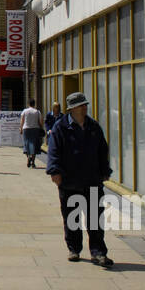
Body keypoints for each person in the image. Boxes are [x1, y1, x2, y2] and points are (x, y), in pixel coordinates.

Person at [46, 92, 114, 267]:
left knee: (95, 218)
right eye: (81, 106)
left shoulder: (93, 126)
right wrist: (54, 171)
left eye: (85, 105)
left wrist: (105, 170)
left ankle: (98, 252)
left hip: (92, 179)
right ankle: (74, 248)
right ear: (72, 109)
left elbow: (102, 150)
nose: (85, 108)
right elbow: (53, 150)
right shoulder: (60, 127)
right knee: (72, 218)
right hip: (69, 181)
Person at [20, 101, 44, 167]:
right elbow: (40, 122)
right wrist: (41, 128)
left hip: (26, 129)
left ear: (28, 104)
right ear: (34, 104)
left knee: (27, 144)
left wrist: (21, 128)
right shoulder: (37, 112)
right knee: (34, 145)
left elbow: (22, 120)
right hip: (35, 129)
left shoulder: (25, 111)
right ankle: (33, 162)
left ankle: (28, 157)